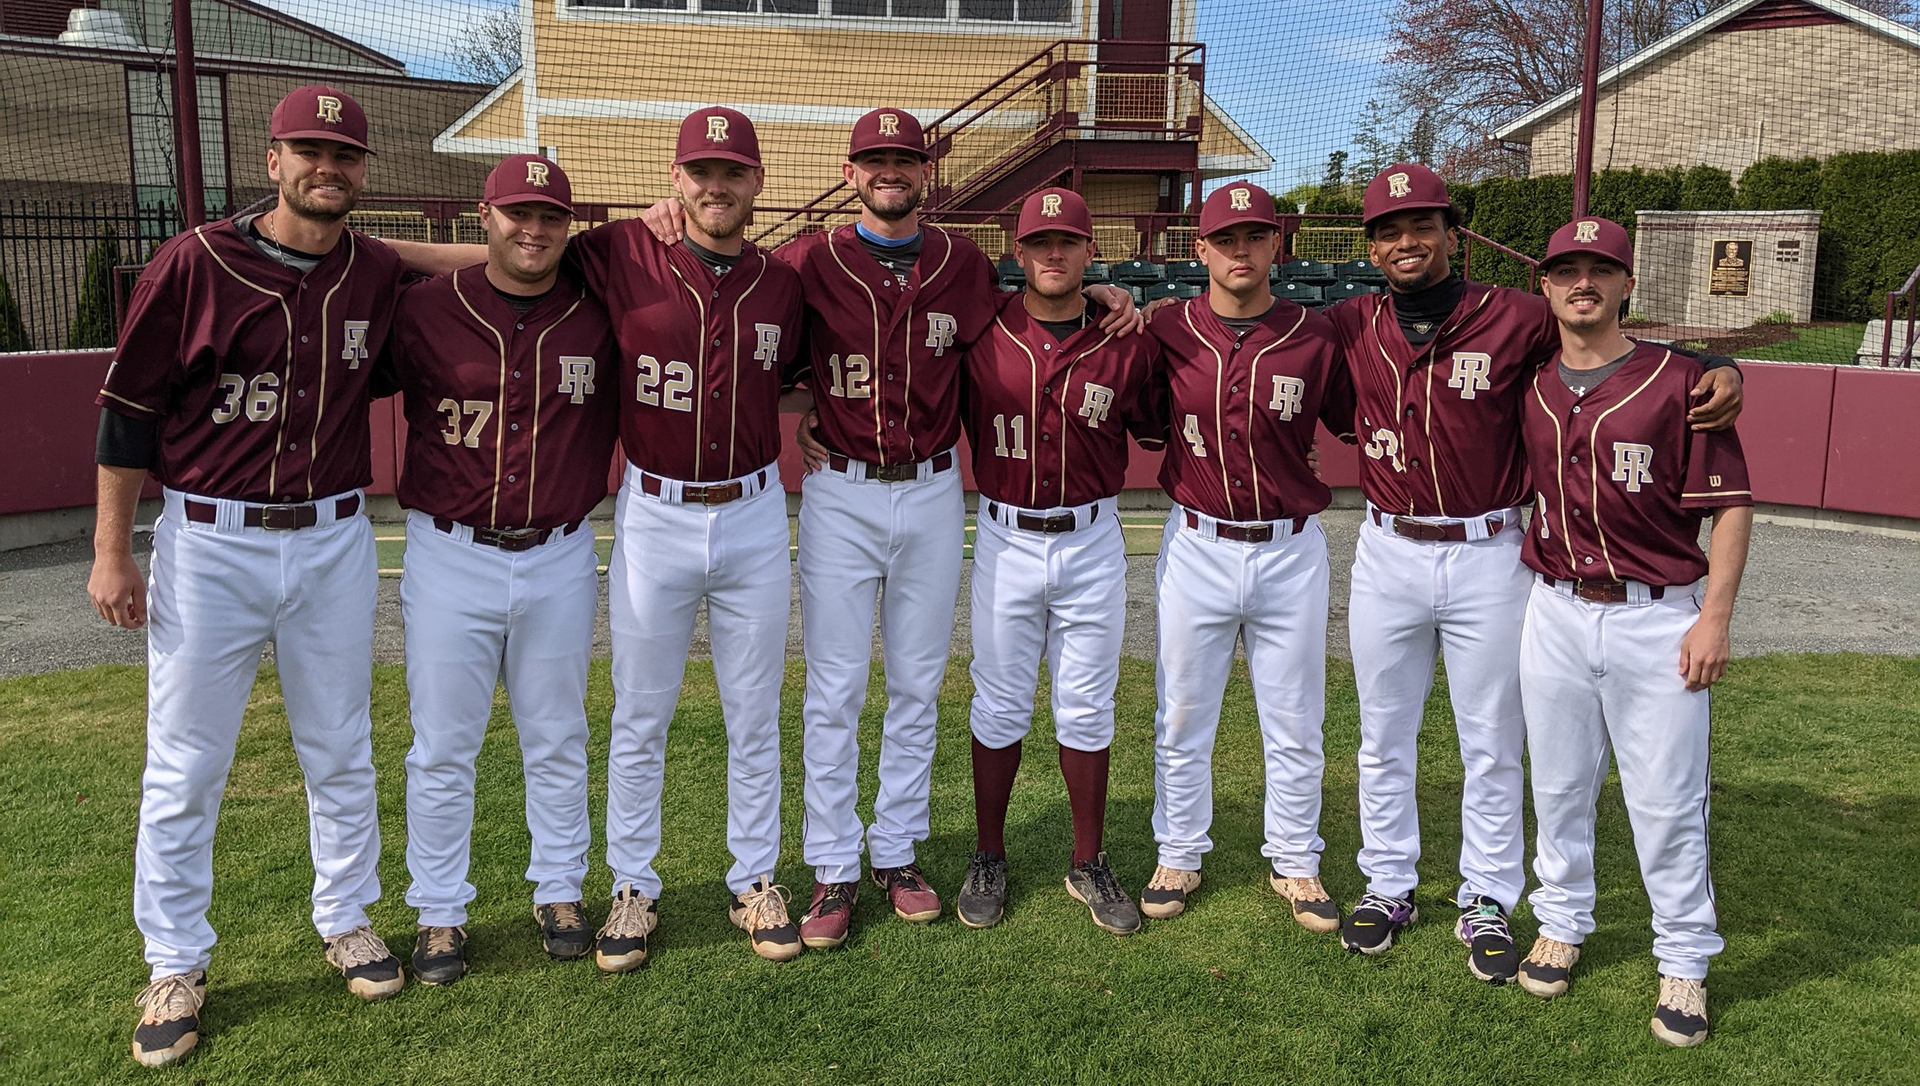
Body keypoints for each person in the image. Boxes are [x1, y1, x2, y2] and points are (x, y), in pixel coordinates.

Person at [642, 107, 1140, 947]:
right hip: (841, 489)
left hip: (934, 489)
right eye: (874, 158)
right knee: (835, 687)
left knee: (917, 682)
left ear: (925, 172)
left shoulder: (964, 264)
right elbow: (743, 311)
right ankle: (834, 863)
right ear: (850, 172)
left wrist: (1100, 291)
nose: (889, 170)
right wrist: (666, 218)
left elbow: (1031, 309)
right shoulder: (808, 260)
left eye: (904, 158)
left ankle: (898, 851)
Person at [386, 108, 816, 966]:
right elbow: (509, 258)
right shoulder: (620, 249)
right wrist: (367, 251)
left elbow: (796, 380)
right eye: (700, 171)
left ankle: (755, 880)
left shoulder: (781, 282)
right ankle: (631, 887)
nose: (716, 186)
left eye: (732, 171)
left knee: (754, 709)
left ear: (758, 183)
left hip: (756, 510)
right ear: (675, 178)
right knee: (639, 712)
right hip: (655, 509)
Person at [1316, 163, 1743, 979]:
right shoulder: (1349, 322)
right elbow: (1260, 324)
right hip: (1387, 549)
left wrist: (1717, 362)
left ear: (1453, 233)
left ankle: (1486, 894)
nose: (1406, 241)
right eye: (1389, 230)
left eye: (1423, 225)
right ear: (1370, 247)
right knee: (1382, 734)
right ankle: (1388, 883)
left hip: (1488, 552)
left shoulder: (1517, 314)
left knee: (1492, 739)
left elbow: (1610, 341)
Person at [88, 85, 406, 1068]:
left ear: (362, 170)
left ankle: (346, 917)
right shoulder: (194, 262)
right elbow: (128, 414)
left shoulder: (372, 271)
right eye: (309, 150)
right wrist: (109, 550)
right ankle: (174, 962)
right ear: (272, 161)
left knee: (340, 748)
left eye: (344, 154)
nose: (327, 166)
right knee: (186, 763)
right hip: (211, 541)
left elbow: (438, 265)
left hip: (334, 537)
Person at [1513, 216, 1752, 1048]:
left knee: (1667, 799)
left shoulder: (1684, 381)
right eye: (1566, 271)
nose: (1582, 283)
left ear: (1627, 285)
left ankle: (1684, 959)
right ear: (1546, 286)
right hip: (1554, 608)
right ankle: (1561, 922)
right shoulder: (1532, 385)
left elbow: (1730, 507)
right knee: (1558, 786)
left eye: (1600, 269)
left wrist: (1714, 619)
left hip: (1658, 615)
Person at [386, 154, 617, 985]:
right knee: (443, 746)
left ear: (569, 228)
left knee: (557, 736)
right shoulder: (424, 309)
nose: (534, 228)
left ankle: (559, 891)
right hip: (450, 551)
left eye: (551, 216)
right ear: (483, 216)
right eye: (518, 212)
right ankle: (439, 910)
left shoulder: (599, 312)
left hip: (560, 550)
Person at [1136, 181, 1355, 931]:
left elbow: (1360, 414)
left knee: (1295, 718)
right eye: (1225, 238)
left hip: (1289, 548)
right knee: (1182, 711)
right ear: (1200, 249)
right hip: (1197, 543)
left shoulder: (1315, 335)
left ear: (1276, 245)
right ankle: (1178, 851)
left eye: (1254, 236)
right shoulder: (1167, 328)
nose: (1240, 249)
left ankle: (1296, 859)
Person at [947, 188, 1162, 935]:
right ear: (1019, 251)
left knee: (1088, 703)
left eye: (1068, 241)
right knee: (998, 701)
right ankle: (988, 854)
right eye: (1040, 242)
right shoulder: (983, 330)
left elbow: (1165, 422)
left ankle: (1088, 861)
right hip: (1005, 535)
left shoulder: (1126, 340)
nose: (1054, 253)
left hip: (1092, 537)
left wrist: (1128, 304)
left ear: (1090, 251)